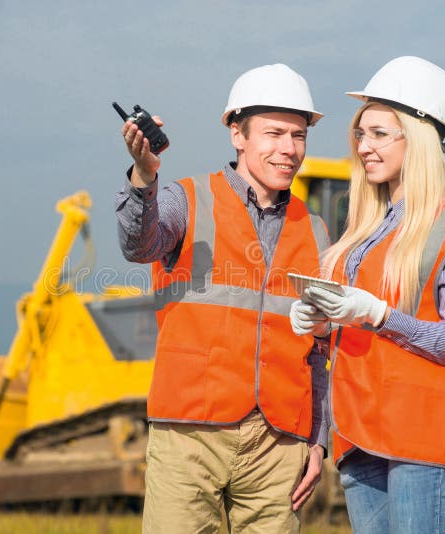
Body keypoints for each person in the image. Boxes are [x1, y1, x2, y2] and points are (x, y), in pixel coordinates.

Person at [115, 63, 331, 533]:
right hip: (190, 433)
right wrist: (143, 179)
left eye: (298, 136)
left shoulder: (316, 231)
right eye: (274, 134)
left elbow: (319, 347)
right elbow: (138, 245)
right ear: (238, 134)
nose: (288, 150)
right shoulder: (185, 199)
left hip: (279, 443)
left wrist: (318, 440)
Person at [290, 56, 445, 533]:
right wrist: (326, 323)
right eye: (361, 134)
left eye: (380, 134)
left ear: (418, 137)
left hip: (422, 441)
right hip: (360, 437)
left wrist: (381, 315)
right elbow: (358, 329)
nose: (363, 146)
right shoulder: (363, 234)